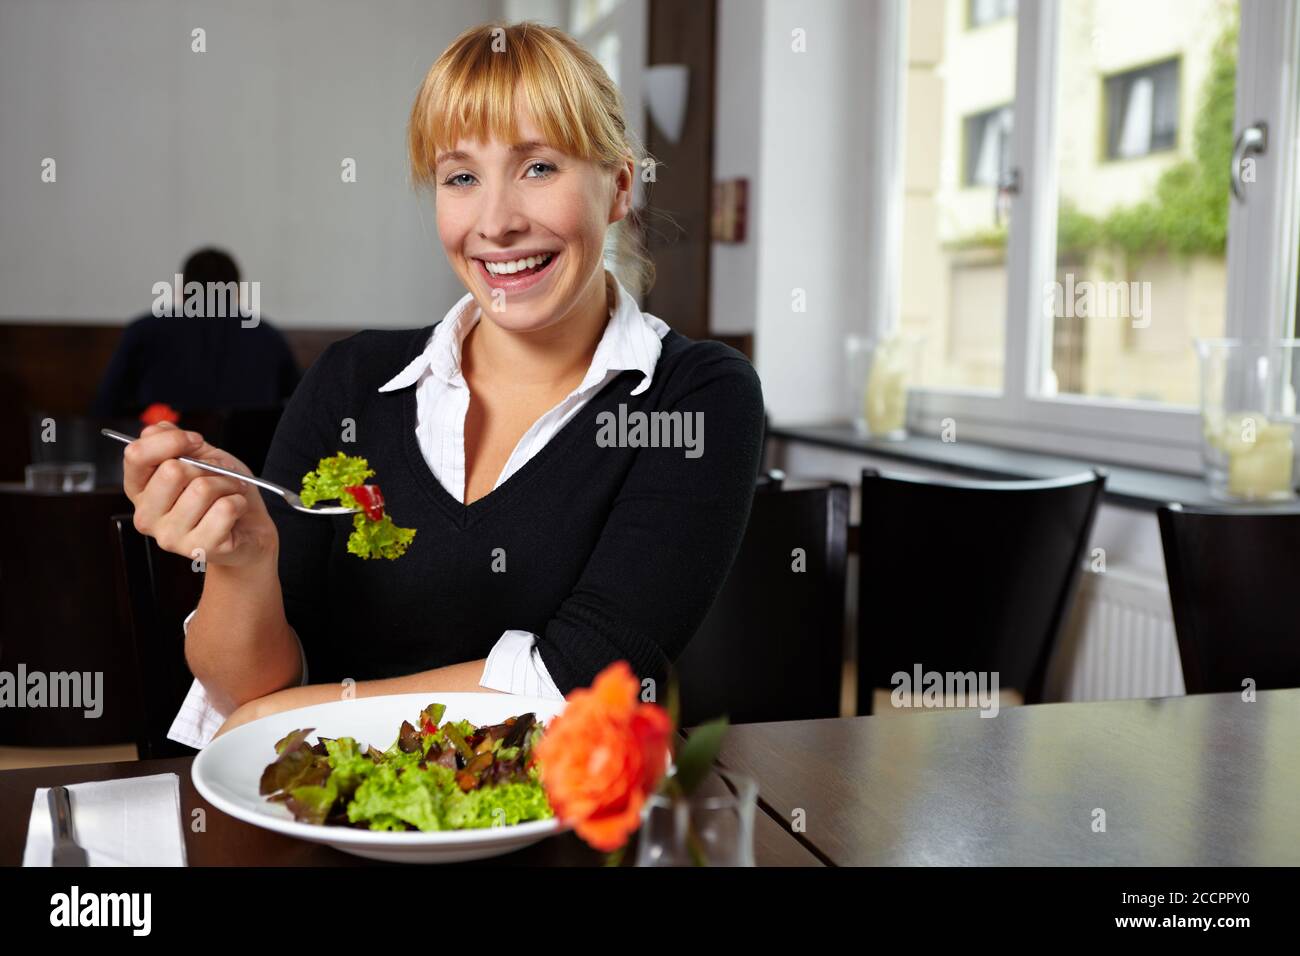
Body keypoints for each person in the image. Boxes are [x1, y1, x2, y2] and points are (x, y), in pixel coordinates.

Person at [120, 21, 765, 748]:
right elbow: (251, 694)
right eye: (461, 177)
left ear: (618, 186)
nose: (496, 222)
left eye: (539, 168)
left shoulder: (696, 396)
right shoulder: (351, 383)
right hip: (325, 828)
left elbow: (581, 680)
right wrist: (244, 558)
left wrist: (310, 714)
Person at [91, 247, 300, 417]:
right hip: (248, 461)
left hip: (164, 455)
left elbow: (105, 406)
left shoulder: (143, 331)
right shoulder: (269, 337)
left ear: (184, 287)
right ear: (236, 289)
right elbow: (296, 407)